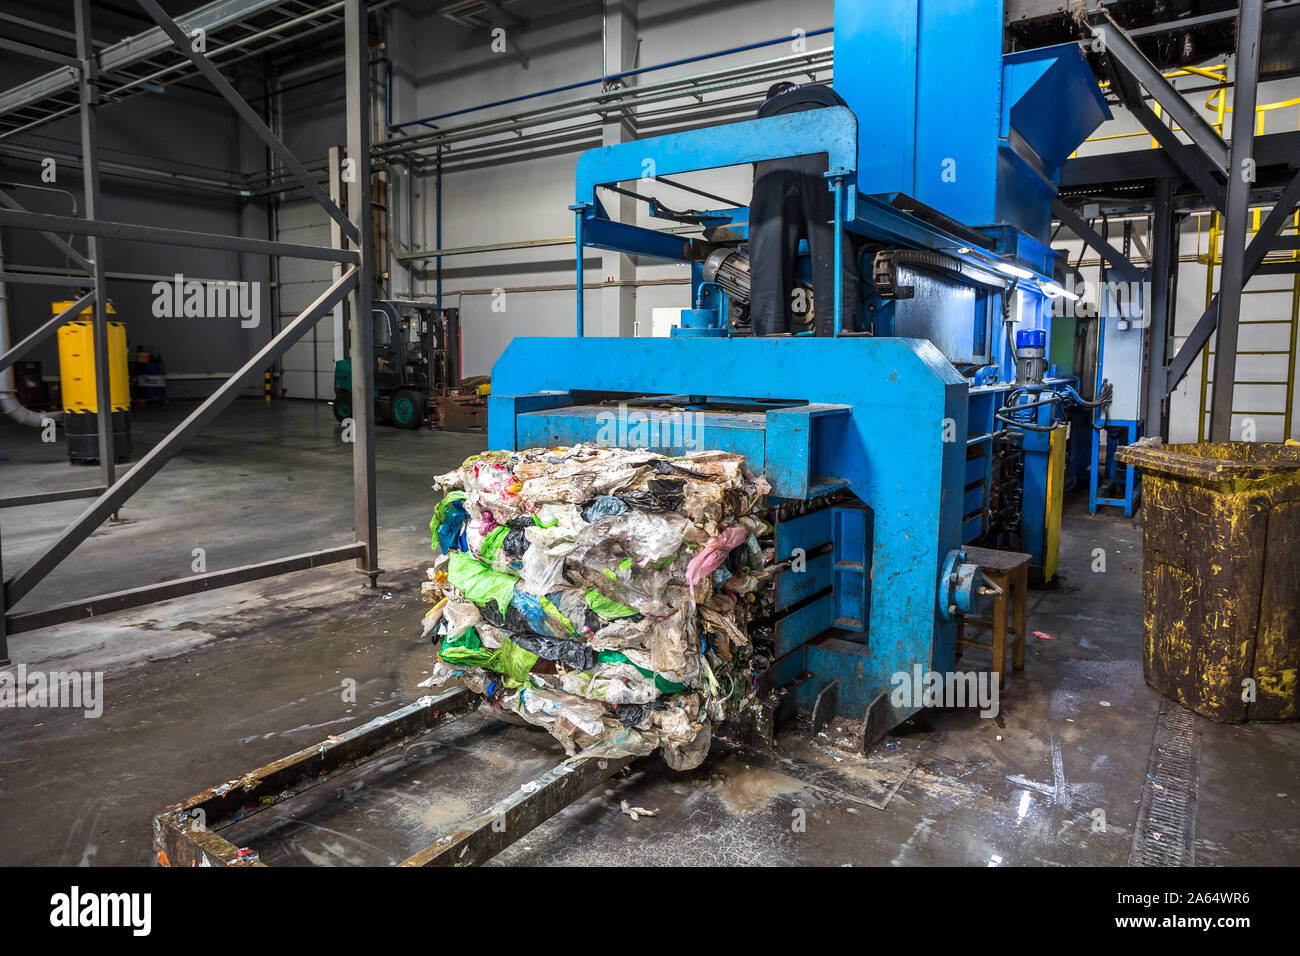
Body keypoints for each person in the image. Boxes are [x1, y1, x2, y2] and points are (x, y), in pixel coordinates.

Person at [749, 81, 862, 336]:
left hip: (774, 164)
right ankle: (839, 334)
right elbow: (850, 140)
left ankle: (769, 337)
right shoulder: (825, 94)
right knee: (832, 249)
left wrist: (769, 212)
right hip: (824, 156)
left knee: (768, 258)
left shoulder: (767, 109)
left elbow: (755, 166)